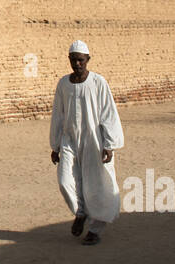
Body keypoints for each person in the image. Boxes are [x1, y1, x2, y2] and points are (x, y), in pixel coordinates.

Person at [50, 40, 124, 246]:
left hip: (94, 140)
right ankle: (80, 213)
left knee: (97, 184)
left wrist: (109, 144)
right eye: (73, 60)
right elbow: (58, 114)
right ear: (69, 60)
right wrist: (55, 145)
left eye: (81, 60)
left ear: (88, 59)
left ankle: (95, 229)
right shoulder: (63, 84)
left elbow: (108, 113)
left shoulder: (99, 82)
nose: (77, 64)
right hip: (69, 140)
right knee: (66, 181)